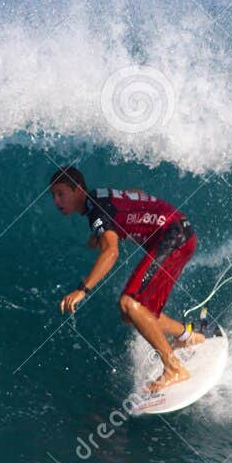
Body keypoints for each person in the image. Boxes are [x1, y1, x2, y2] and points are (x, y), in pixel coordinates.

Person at [49, 165, 203, 391]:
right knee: (133, 314)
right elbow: (134, 194)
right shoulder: (99, 197)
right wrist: (106, 230)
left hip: (174, 237)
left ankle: (174, 368)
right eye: (53, 195)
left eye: (61, 193)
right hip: (179, 233)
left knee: (129, 303)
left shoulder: (97, 211)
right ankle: (189, 337)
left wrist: (82, 290)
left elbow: (111, 252)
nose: (56, 201)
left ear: (78, 190)